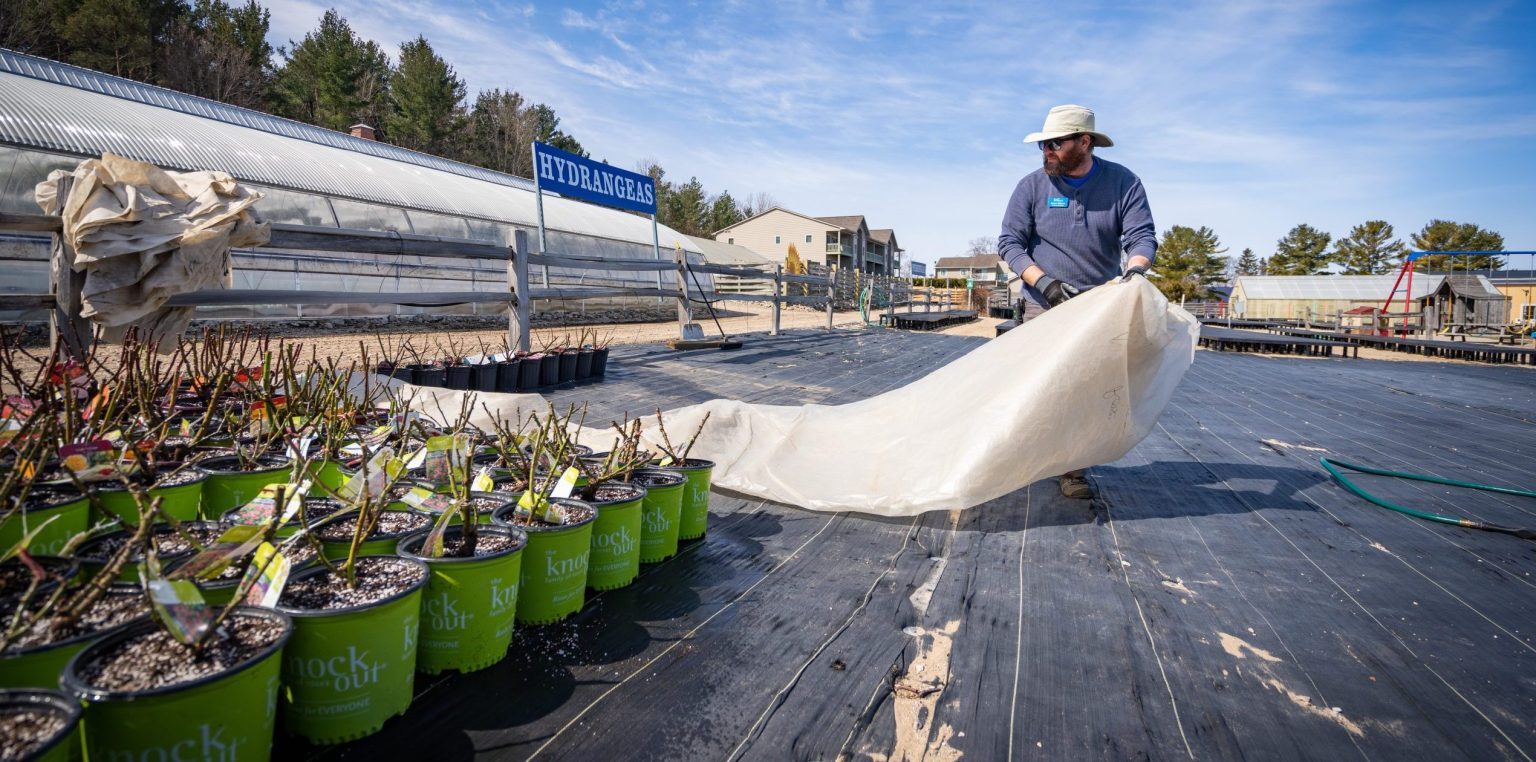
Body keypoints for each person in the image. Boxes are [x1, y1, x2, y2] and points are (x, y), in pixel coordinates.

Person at [998, 104, 1158, 500]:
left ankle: (1072, 469)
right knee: (1038, 385)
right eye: (1042, 145)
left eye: (1054, 144)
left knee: (1085, 391)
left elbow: (1141, 238)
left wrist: (1135, 272)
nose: (1046, 151)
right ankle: (1020, 458)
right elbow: (1010, 244)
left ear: (1084, 142)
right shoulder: (1031, 187)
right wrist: (1045, 283)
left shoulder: (1124, 183)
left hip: (1098, 309)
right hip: (1043, 302)